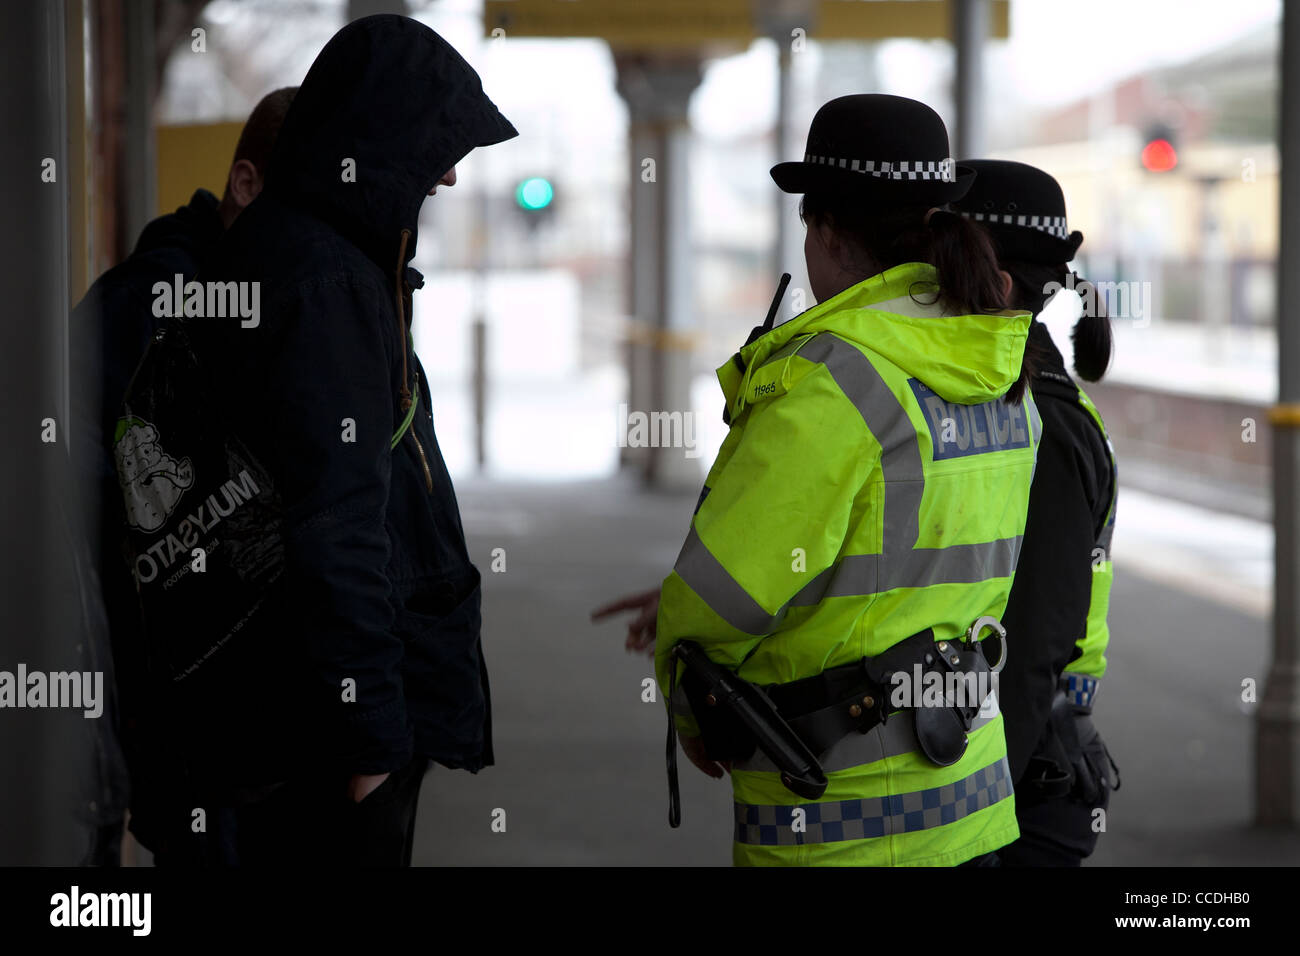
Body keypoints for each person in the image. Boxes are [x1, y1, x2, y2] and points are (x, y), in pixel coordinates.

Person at [143, 14, 516, 866]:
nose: (452, 174)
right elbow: (336, 523)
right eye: (438, 146)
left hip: (285, 711)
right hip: (318, 733)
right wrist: (371, 742)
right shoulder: (324, 280)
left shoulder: (306, 254)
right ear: (377, 137)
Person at [646, 94, 1041, 866]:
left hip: (840, 828)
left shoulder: (835, 382)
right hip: (970, 805)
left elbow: (723, 596)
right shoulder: (1000, 365)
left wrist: (690, 701)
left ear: (826, 232)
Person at [68, 86, 297, 862]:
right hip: (185, 710)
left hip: (259, 713)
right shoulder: (142, 307)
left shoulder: (275, 297)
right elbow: (88, 529)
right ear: (246, 184)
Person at [952, 159, 1120, 866]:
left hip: (1021, 792)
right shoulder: (1019, 393)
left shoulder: (1038, 420)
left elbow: (1031, 648)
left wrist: (972, 821)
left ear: (993, 279)